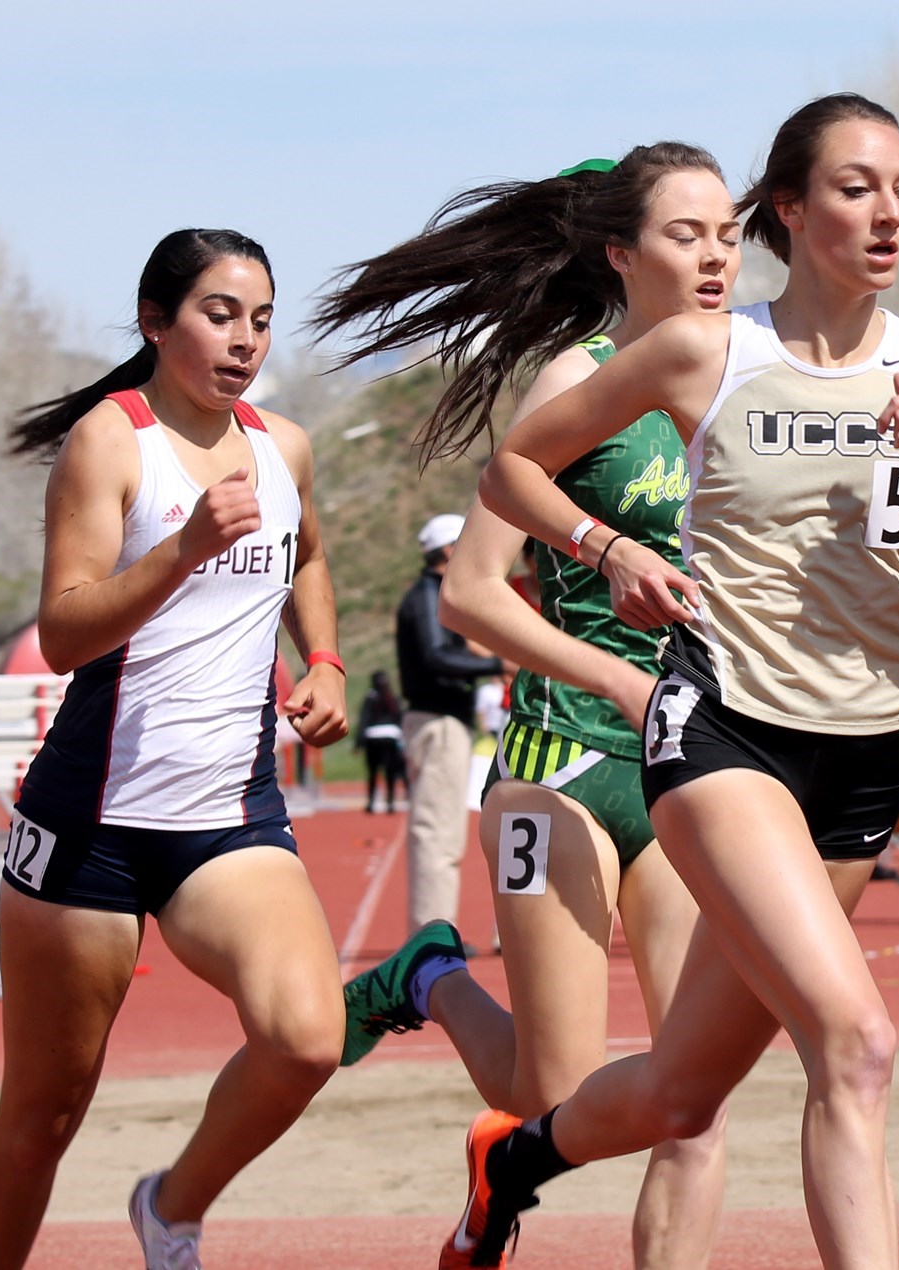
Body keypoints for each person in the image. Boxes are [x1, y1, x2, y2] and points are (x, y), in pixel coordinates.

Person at [468, 93, 899, 1268]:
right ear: (789, 210)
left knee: (681, 1094)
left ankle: (516, 1158)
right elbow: (510, 471)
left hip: (861, 755)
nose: (887, 211)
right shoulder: (710, 349)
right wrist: (612, 548)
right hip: (722, 731)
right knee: (856, 1043)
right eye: (856, 188)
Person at [310, 141, 741, 1268]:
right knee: (553, 1095)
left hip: (698, 768)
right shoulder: (576, 382)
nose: (714, 259)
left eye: (729, 237)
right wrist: (617, 669)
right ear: (621, 253)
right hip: (569, 756)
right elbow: (467, 594)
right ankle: (431, 975)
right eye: (685, 236)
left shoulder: (752, 386)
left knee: (690, 1099)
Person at [0, 229, 349, 1269]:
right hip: (88, 826)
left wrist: (321, 658)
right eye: (219, 313)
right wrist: (187, 548)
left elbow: (306, 554)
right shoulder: (112, 441)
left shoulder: (282, 446)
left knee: (306, 1038)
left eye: (262, 318)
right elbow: (62, 632)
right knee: (43, 1118)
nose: (244, 339)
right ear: (156, 321)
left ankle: (171, 1202)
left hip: (226, 821)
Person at [396, 512, 505, 936]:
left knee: (443, 832)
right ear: (447, 550)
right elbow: (436, 658)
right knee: (438, 833)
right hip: (438, 722)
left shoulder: (431, 593)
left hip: (443, 721)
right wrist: (498, 664)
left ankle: (434, 931)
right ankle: (431, 935)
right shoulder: (427, 595)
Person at [358, 667, 406, 813]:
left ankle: (371, 802)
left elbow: (364, 719)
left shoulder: (370, 698)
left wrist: (359, 742)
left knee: (373, 772)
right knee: (390, 771)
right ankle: (390, 802)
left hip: (373, 738)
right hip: (391, 737)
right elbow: (400, 717)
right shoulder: (392, 697)